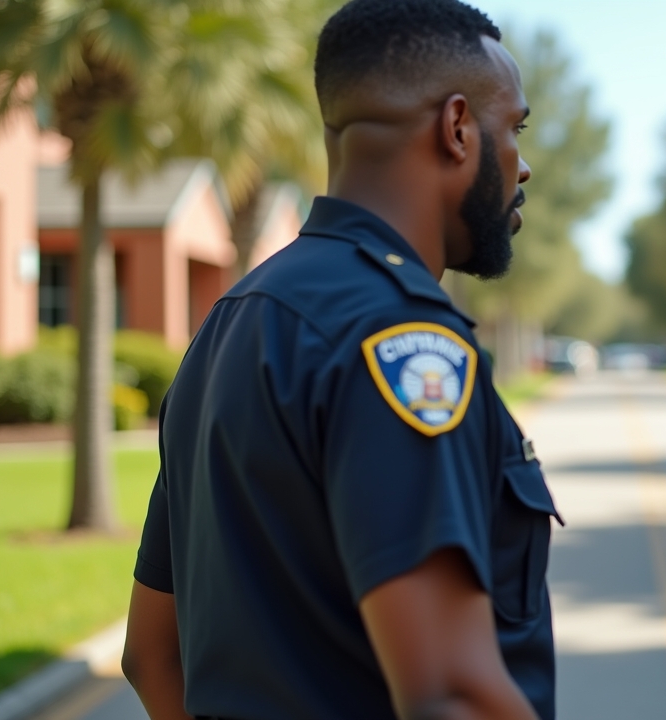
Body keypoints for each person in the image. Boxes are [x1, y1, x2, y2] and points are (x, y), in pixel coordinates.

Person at [120, 2, 561, 719]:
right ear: (456, 129)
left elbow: (152, 655)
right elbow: (450, 694)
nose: (525, 163)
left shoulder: (230, 324)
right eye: (515, 127)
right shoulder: (403, 340)